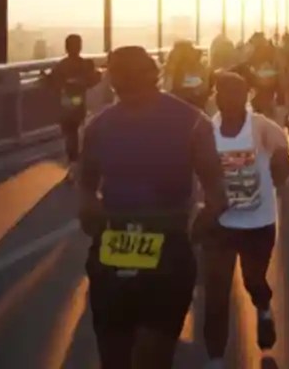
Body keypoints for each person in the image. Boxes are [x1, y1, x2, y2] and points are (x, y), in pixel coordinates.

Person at [77, 46, 227, 369]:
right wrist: (196, 228)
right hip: (165, 246)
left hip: (118, 246)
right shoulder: (194, 122)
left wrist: (93, 217)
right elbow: (217, 194)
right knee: (148, 356)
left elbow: (86, 193)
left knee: (118, 356)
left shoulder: (98, 126)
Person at [202, 73, 289, 366]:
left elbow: (285, 163)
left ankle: (264, 307)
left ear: (246, 98)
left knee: (252, 280)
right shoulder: (205, 130)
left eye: (233, 95)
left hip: (258, 223)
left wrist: (275, 172)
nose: (225, 100)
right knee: (215, 293)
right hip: (219, 224)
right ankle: (215, 359)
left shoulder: (262, 128)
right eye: (220, 94)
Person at [44, 34, 101, 174]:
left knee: (70, 132)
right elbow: (93, 79)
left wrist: (46, 78)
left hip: (66, 102)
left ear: (66, 47)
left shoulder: (61, 65)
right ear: (80, 47)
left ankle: (73, 161)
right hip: (80, 101)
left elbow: (53, 82)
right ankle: (79, 160)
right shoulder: (86, 64)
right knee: (78, 130)